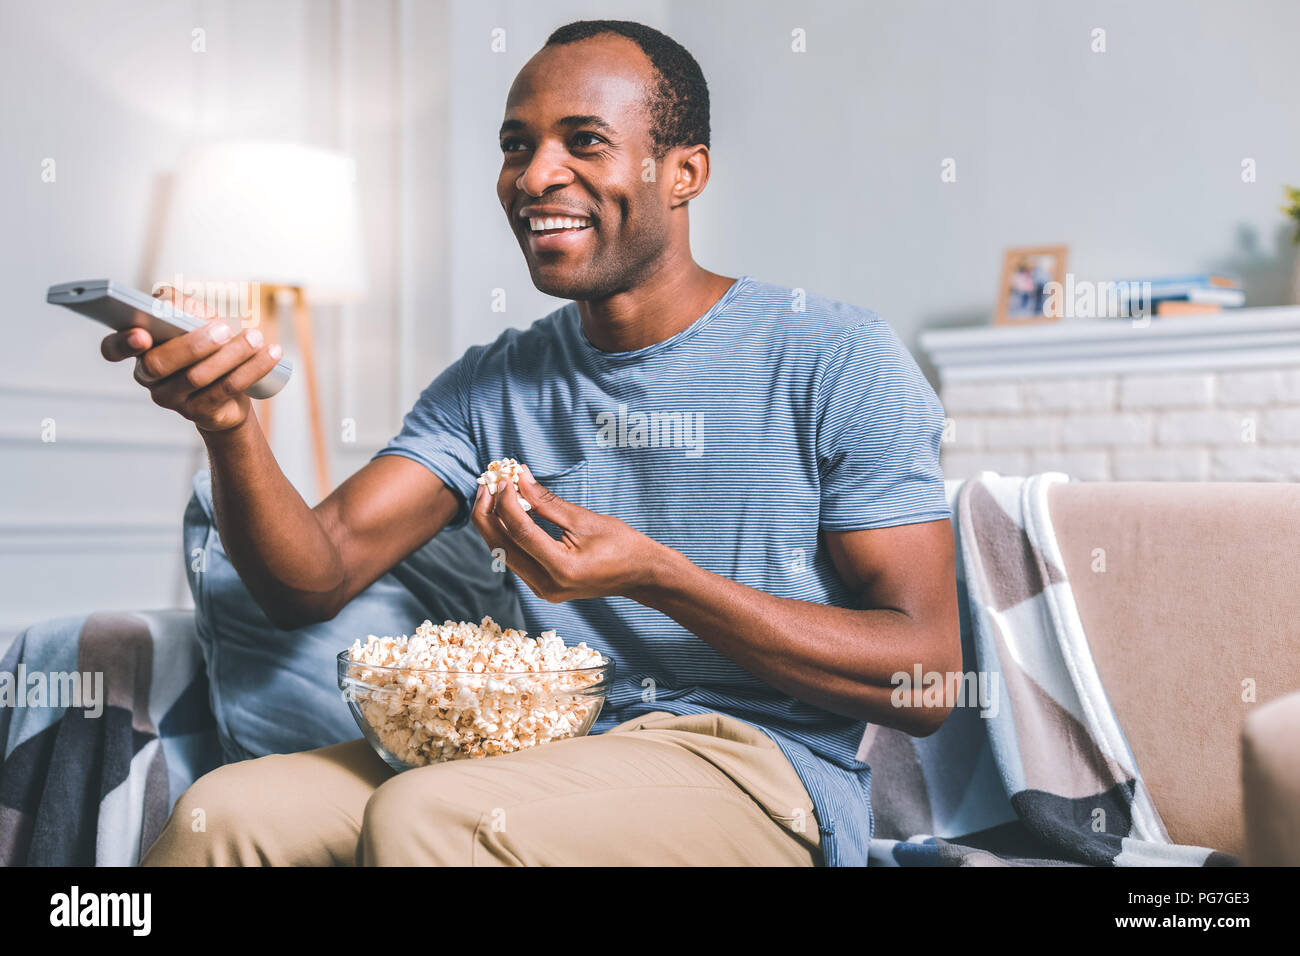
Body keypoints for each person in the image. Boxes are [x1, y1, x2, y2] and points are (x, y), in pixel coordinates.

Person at [112, 19, 959, 867]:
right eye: (517, 145)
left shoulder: (836, 356)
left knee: (430, 815)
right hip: (544, 749)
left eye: (584, 141)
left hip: (761, 774)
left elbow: (926, 678)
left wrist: (655, 575)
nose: (534, 175)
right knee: (228, 811)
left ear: (684, 173)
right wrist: (229, 425)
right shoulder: (491, 383)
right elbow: (312, 580)